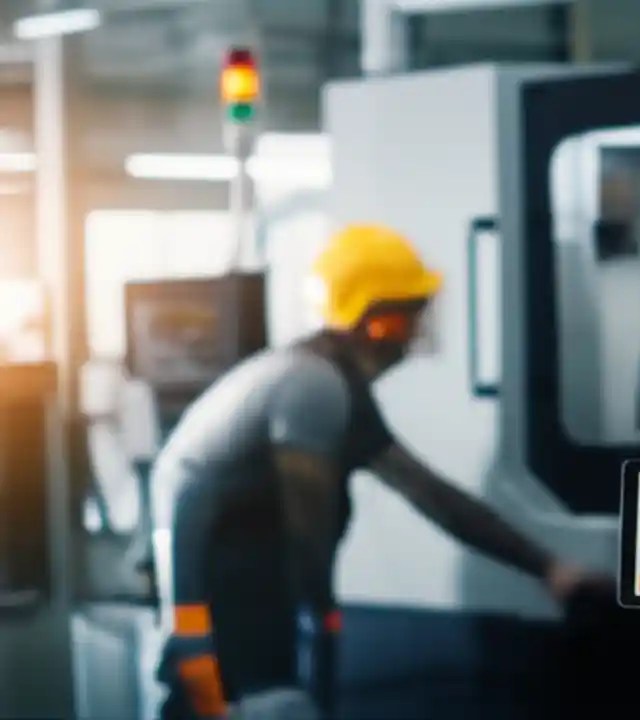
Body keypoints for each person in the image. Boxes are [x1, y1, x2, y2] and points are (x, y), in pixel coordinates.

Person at [147, 223, 607, 719]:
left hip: (240, 574)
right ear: (380, 321)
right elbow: (310, 530)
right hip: (220, 579)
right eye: (414, 311)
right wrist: (321, 625)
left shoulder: (331, 380)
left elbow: (430, 494)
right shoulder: (313, 386)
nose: (420, 327)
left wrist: (549, 569)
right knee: (235, 705)